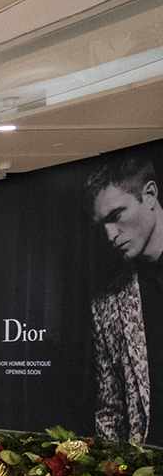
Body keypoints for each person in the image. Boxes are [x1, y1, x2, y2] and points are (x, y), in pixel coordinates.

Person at [91, 150, 163, 442]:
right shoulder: (108, 303)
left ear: (149, 195)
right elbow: (110, 410)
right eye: (102, 225)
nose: (111, 235)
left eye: (117, 215)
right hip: (145, 474)